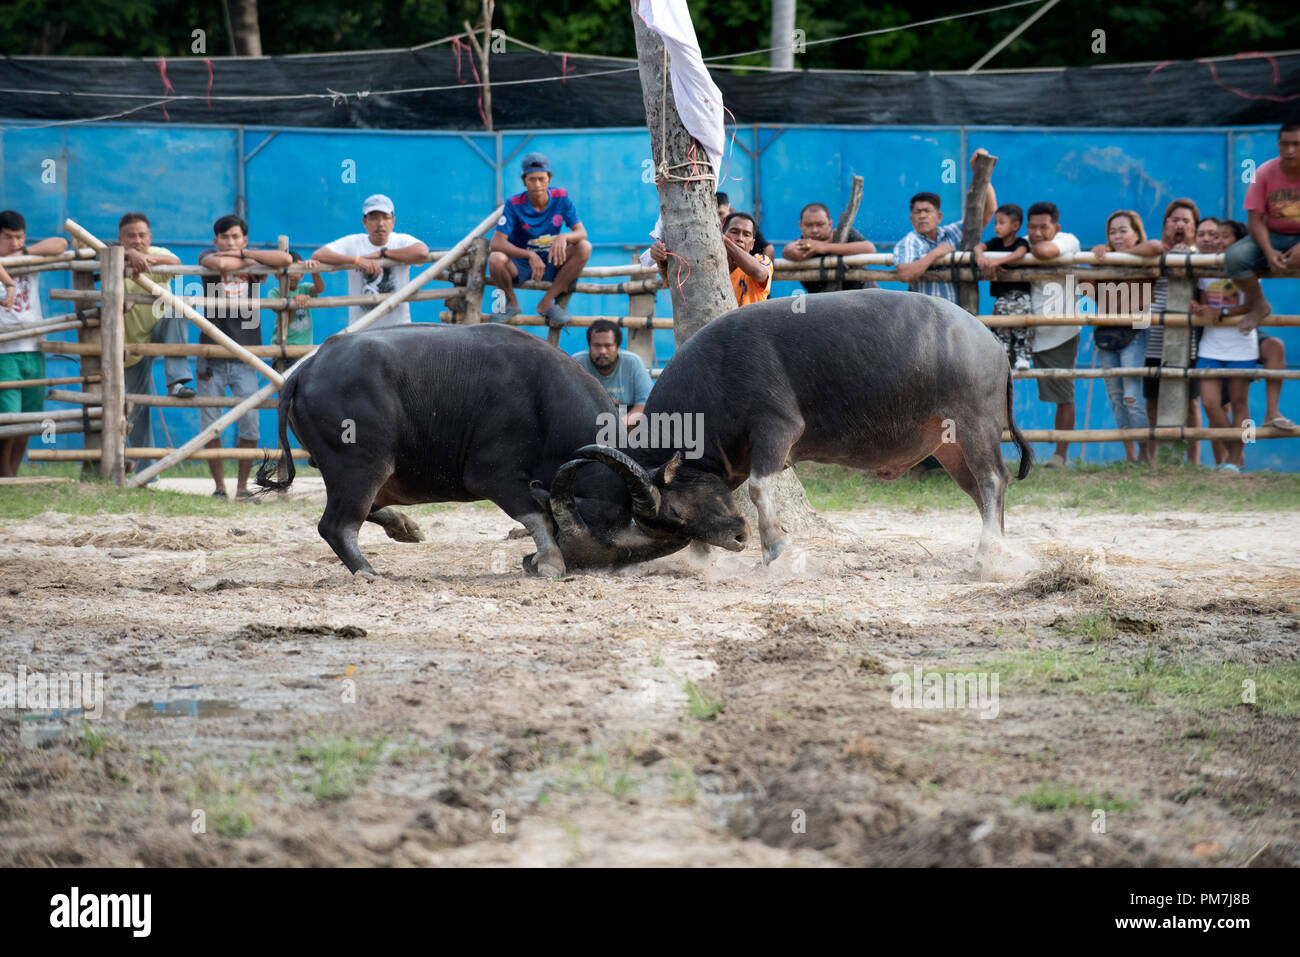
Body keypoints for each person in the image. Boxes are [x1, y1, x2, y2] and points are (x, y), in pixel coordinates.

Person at [196, 214, 291, 500]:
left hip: (248, 356)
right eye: (224, 237)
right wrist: (247, 261)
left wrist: (246, 256)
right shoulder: (207, 256)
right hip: (211, 354)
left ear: (244, 239)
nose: (229, 241)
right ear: (215, 241)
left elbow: (285, 261)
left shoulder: (253, 258)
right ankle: (219, 487)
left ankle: (241, 487)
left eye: (236, 237)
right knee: (211, 425)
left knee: (249, 423)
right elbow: (221, 264)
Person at [1089, 210, 1163, 463]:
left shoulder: (1145, 257)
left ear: (1136, 233)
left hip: (1136, 331)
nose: (1117, 235)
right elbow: (1090, 291)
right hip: (1107, 332)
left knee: (1132, 395)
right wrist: (1101, 257)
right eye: (1112, 231)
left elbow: (1156, 246)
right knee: (1116, 397)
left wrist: (1117, 255)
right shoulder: (1104, 258)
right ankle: (1130, 456)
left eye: (1123, 230)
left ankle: (1145, 455)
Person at [116, 212, 186, 474]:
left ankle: (176, 381)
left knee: (178, 311)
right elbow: (94, 258)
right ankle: (145, 473)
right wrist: (128, 256)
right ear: (120, 238)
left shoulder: (157, 253)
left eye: (142, 235)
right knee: (135, 410)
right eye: (131, 236)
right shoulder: (110, 257)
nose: (137, 240)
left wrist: (147, 259)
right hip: (128, 344)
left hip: (157, 333)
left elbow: (176, 262)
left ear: (150, 237)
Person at [0, 210, 68, 477]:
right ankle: (4, 475)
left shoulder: (27, 256)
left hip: (34, 347)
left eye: (19, 237)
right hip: (4, 350)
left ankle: (12, 473)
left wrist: (23, 253)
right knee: (8, 417)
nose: (15, 243)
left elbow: (61, 244)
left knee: (30, 417)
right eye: (8, 237)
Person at [488, 153, 591, 327]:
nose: (537, 185)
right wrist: (529, 255)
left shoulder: (561, 198)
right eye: (532, 179)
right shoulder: (514, 204)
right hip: (520, 264)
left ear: (549, 179)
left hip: (552, 260)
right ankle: (511, 302)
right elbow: (496, 243)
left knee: (584, 247)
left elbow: (582, 233)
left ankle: (547, 302)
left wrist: (564, 236)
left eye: (541, 179)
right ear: (524, 180)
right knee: (496, 258)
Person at [1217, 218, 1295, 433]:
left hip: (1243, 334)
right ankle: (1227, 454)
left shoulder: (1245, 265)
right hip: (1210, 340)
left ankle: (1238, 454)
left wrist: (1222, 312)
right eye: (1213, 236)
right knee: (1212, 405)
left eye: (1225, 237)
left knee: (1239, 402)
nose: (1217, 241)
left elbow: (1250, 304)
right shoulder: (1198, 262)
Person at [1223, 122, 1300, 332]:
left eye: (1296, 144)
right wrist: (1268, 251)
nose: (1290, 150)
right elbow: (1255, 220)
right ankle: (1258, 304)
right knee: (1235, 258)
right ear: (1278, 145)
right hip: (1273, 234)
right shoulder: (1264, 172)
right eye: (1285, 144)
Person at [1142, 198, 1202, 462]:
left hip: (1187, 341)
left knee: (1191, 403)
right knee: (1152, 402)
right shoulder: (1153, 251)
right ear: (1165, 223)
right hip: (1152, 338)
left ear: (1195, 226)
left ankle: (1193, 461)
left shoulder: (1203, 254)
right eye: (1174, 220)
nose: (1179, 225)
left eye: (1186, 221)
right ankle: (1154, 461)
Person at [893, 148, 997, 301]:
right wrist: (936, 254)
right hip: (926, 318)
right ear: (911, 218)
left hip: (958, 316)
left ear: (939, 217)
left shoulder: (953, 233)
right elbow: (905, 274)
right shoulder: (910, 241)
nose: (922, 215)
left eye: (927, 211)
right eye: (917, 212)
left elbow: (989, 210)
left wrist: (979, 174)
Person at [312, 195, 428, 330]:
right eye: (373, 218)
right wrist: (357, 260)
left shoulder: (401, 241)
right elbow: (319, 255)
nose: (380, 223)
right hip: (361, 330)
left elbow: (422, 251)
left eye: (386, 217)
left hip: (399, 331)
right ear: (364, 222)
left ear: (393, 221)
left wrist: (383, 253)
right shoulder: (353, 243)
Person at [1025, 201, 1083, 468]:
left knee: (1063, 394)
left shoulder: (1067, 240)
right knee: (998, 390)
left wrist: (1020, 250)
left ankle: (1060, 455)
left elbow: (1045, 251)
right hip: (1024, 330)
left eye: (1043, 227)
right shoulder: (1022, 241)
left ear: (1056, 227)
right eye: (1032, 226)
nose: (1036, 232)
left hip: (1059, 331)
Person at [649, 210, 773, 308]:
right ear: (723, 233)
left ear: (752, 244)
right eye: (734, 232)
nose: (740, 238)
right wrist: (660, 260)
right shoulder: (708, 264)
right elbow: (674, 283)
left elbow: (759, 273)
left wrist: (723, 239)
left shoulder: (762, 260)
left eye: (746, 234)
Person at [974, 203, 1032, 370]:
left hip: (1020, 294)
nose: (996, 227)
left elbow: (1020, 253)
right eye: (995, 223)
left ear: (1015, 226)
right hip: (1001, 296)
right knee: (1000, 326)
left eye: (1001, 222)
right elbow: (979, 246)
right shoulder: (995, 243)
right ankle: (1002, 354)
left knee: (1021, 325)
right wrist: (981, 258)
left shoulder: (1020, 242)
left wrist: (997, 261)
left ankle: (1022, 357)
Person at [781, 202, 877, 294]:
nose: (814, 230)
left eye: (820, 224)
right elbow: (790, 252)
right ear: (800, 226)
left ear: (830, 224)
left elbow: (869, 249)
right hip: (823, 303)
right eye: (808, 225)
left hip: (864, 297)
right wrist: (815, 247)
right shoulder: (803, 243)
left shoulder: (845, 234)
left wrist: (824, 247)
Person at [573, 319, 652, 428]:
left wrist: (617, 426)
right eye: (596, 345)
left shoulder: (633, 362)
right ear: (589, 345)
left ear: (617, 346)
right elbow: (569, 403)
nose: (602, 351)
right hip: (588, 424)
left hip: (627, 425)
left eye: (608, 345)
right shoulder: (577, 363)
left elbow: (645, 404)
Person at [284, 251, 324, 356]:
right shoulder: (277, 292)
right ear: (277, 275)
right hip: (286, 346)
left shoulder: (305, 288)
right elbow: (284, 320)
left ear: (302, 275)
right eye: (288, 270)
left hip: (306, 347)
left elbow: (320, 289)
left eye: (295, 270)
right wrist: (294, 303)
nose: (291, 274)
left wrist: (314, 271)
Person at [717, 192, 773, 259]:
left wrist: (761, 266)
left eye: (720, 214)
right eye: (734, 232)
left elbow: (768, 249)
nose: (740, 239)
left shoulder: (747, 226)